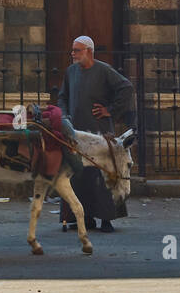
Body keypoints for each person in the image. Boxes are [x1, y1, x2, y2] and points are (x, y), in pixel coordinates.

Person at [56, 35, 137, 233]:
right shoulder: (71, 72)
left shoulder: (104, 70)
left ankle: (106, 219)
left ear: (89, 51)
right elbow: (62, 97)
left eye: (77, 50)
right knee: (79, 173)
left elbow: (126, 88)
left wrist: (110, 110)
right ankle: (85, 218)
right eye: (72, 50)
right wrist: (64, 115)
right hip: (77, 131)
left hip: (99, 130)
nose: (73, 54)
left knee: (102, 173)